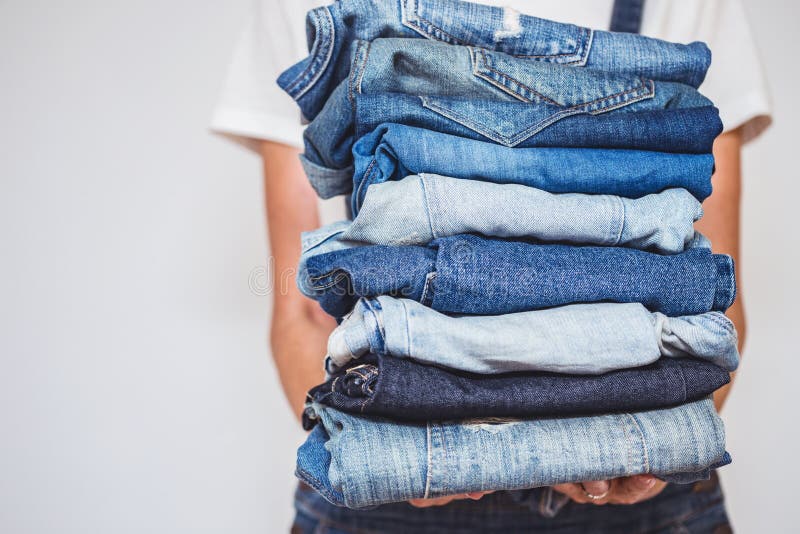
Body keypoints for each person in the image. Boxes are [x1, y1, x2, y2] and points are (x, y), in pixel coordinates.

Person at [212, 0, 771, 531]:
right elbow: (303, 312)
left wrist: (640, 447)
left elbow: (711, 305)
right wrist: (390, 455)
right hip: (387, 501)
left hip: (639, 511)